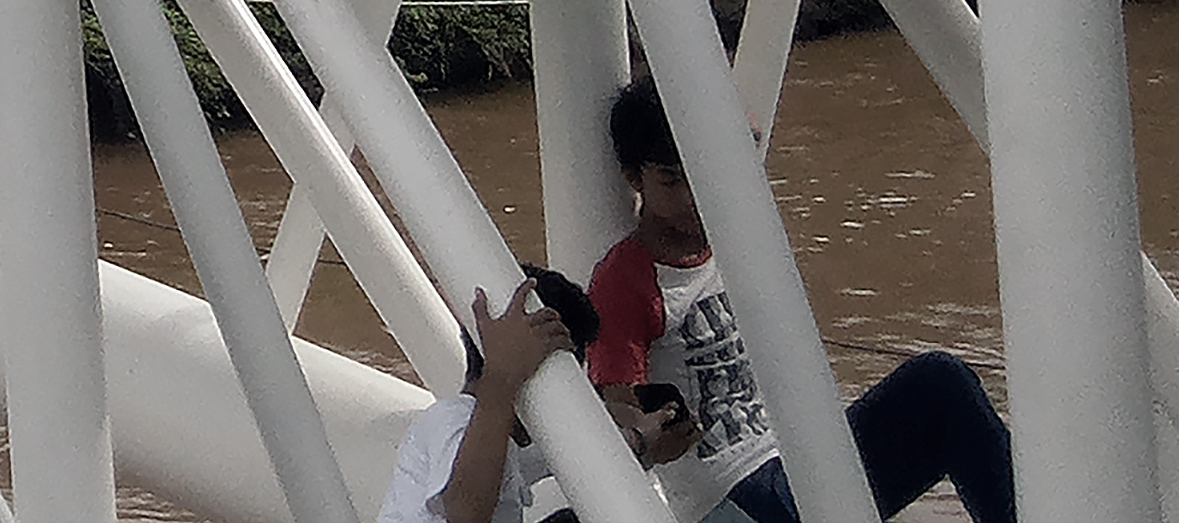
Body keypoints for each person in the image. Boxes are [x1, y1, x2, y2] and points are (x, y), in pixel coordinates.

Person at [588, 75, 1021, 523]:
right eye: (671, 180)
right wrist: (650, 438)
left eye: (701, 173)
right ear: (634, 178)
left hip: (799, 466)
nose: (693, 197)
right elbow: (617, 408)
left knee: (942, 386)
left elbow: (750, 131)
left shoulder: (736, 243)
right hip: (734, 497)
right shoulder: (626, 279)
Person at [377, 267, 652, 523]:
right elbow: (464, 513)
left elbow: (547, 459)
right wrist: (503, 376)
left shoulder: (501, 440)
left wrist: (640, 441)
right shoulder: (453, 418)